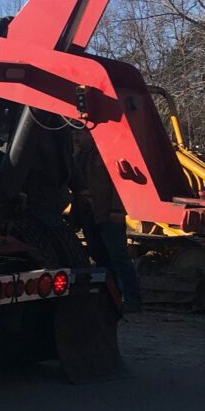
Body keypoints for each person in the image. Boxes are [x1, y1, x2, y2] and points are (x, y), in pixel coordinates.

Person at [71, 129, 144, 314]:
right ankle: (111, 296)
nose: (76, 138)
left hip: (108, 215)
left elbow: (119, 185)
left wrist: (118, 210)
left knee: (119, 257)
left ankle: (132, 300)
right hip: (89, 215)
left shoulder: (107, 155)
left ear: (90, 135)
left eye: (79, 134)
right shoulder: (79, 156)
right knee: (99, 256)